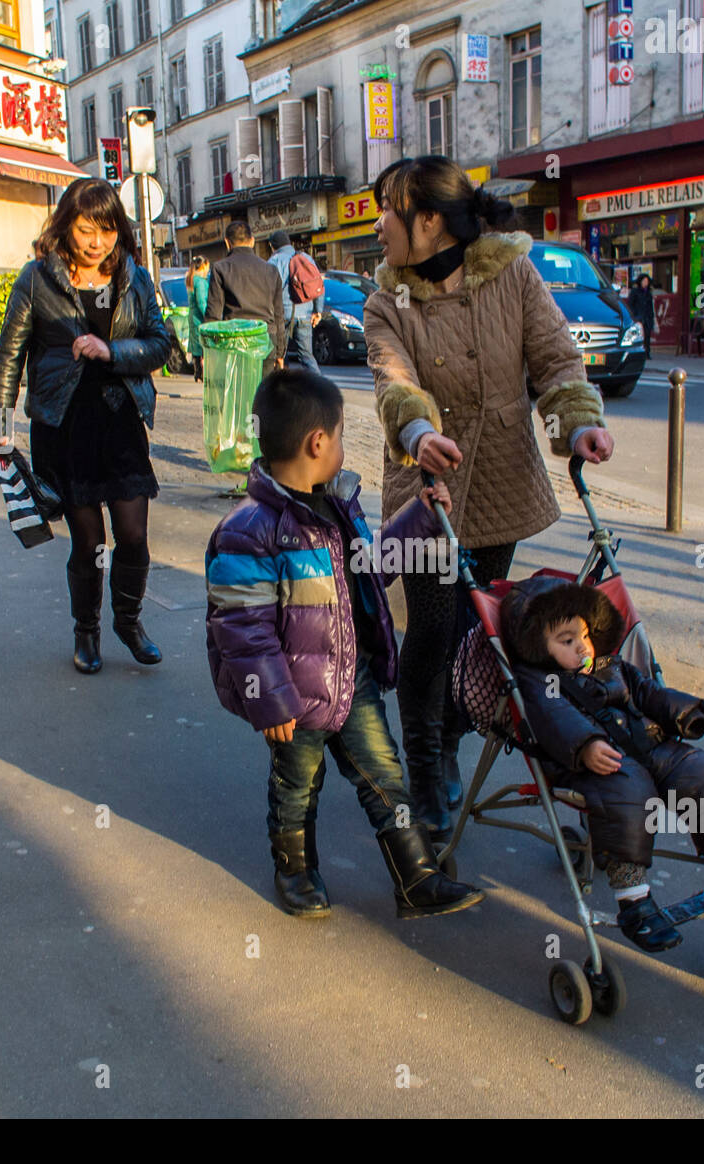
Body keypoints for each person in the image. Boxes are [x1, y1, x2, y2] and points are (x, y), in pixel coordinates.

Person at [363, 154, 614, 844]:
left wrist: (579, 424)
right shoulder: (387, 299)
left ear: (431, 220)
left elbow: (556, 361)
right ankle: (426, 765)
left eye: (389, 208)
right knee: (435, 629)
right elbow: (393, 383)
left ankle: (448, 740)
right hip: (427, 486)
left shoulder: (511, 273)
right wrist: (418, 432)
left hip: (499, 472)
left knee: (479, 629)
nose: (378, 221)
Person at [204, 370, 485, 920]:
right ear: (317, 443)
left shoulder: (337, 506)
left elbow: (368, 571)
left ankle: (418, 879)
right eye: (339, 435)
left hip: (351, 678)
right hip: (292, 696)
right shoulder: (249, 530)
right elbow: (242, 628)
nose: (341, 446)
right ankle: (296, 870)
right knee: (297, 787)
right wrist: (270, 701)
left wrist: (419, 519)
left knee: (386, 779)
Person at [501, 576, 704, 952]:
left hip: (650, 747)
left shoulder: (612, 666)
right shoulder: (541, 682)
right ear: (538, 647)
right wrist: (586, 744)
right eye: (566, 641)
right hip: (597, 763)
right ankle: (634, 900)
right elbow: (553, 717)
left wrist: (683, 711)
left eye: (583, 635)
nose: (581, 647)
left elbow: (648, 692)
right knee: (629, 797)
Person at [0, 178, 172, 675]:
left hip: (119, 419)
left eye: (108, 230)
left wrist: (111, 351)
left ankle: (128, 622)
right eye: (88, 229)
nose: (97, 242)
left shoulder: (134, 276)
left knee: (132, 533)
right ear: (66, 225)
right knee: (88, 541)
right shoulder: (36, 279)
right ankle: (85, 629)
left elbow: (160, 344)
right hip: (63, 425)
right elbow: (9, 356)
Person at [205, 220, 286, 376]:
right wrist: (280, 352)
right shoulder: (271, 270)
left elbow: (213, 315)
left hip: (234, 341)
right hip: (266, 340)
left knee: (237, 396)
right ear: (252, 241)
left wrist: (208, 351)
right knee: (262, 397)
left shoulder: (220, 268)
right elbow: (278, 315)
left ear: (227, 243)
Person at [266, 230, 325, 372]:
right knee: (307, 356)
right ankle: (319, 390)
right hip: (305, 313)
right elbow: (318, 285)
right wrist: (318, 311)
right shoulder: (306, 258)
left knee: (280, 356)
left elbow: (269, 291)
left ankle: (283, 389)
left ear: (272, 246)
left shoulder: (274, 261)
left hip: (281, 315)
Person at [183, 254, 211, 382]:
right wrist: (209, 316)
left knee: (195, 345)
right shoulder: (200, 281)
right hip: (200, 318)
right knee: (203, 344)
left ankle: (197, 372)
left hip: (193, 316)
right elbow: (202, 302)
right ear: (204, 266)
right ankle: (202, 373)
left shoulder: (191, 279)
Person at [628, 272, 656, 355]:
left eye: (647, 281)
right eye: (644, 281)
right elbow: (631, 305)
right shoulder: (635, 292)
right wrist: (635, 315)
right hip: (638, 317)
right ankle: (638, 352)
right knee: (638, 335)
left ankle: (647, 352)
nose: (645, 283)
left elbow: (651, 307)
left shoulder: (648, 293)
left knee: (647, 336)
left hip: (647, 318)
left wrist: (651, 318)